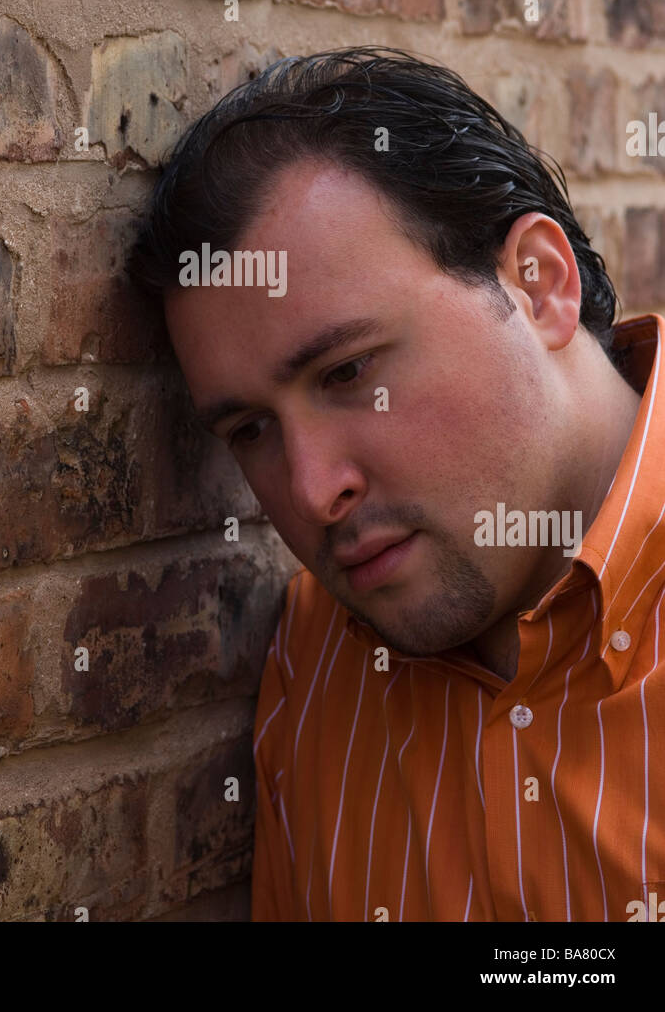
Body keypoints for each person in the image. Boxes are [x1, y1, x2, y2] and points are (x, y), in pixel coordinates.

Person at [127, 47, 664, 923]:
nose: (310, 492)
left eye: (347, 373)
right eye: (250, 431)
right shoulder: (317, 650)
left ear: (539, 285)